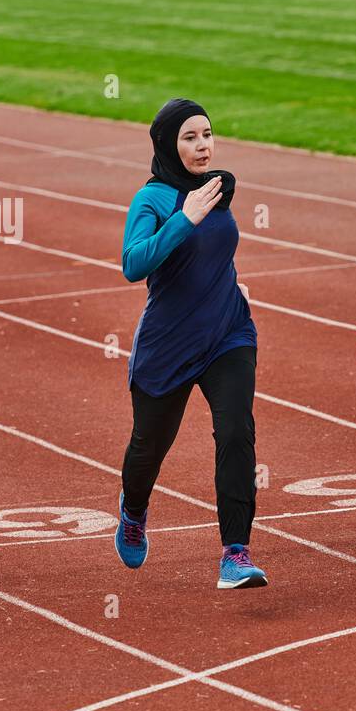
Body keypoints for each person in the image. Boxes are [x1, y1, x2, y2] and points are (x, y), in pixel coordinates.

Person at [113, 98, 266, 589]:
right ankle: (134, 511)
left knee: (237, 433)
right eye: (190, 137)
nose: (203, 146)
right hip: (169, 345)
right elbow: (133, 264)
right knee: (149, 447)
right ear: (167, 144)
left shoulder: (216, 188)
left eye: (207, 134)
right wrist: (185, 218)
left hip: (228, 334)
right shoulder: (152, 200)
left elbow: (214, 252)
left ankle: (235, 553)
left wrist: (230, 285)